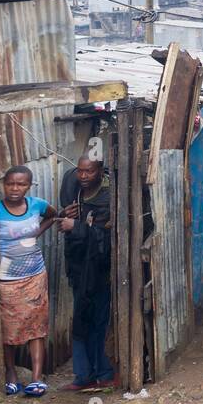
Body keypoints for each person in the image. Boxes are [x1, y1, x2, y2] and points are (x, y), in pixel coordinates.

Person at [0, 166, 61, 397]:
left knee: (37, 326)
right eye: (11, 183)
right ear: (3, 184)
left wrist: (36, 233)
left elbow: (54, 215)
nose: (15, 188)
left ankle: (36, 379)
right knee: (7, 329)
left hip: (35, 275)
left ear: (28, 186)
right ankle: (11, 375)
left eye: (21, 184)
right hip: (5, 279)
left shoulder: (37, 205)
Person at [59, 153, 116, 390]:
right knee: (81, 322)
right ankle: (83, 376)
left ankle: (104, 373)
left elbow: (107, 239)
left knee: (100, 322)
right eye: (80, 171)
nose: (83, 176)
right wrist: (66, 218)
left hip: (100, 271)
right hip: (78, 268)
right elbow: (63, 218)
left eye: (89, 171)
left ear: (100, 172)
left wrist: (77, 226)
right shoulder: (73, 188)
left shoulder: (108, 198)